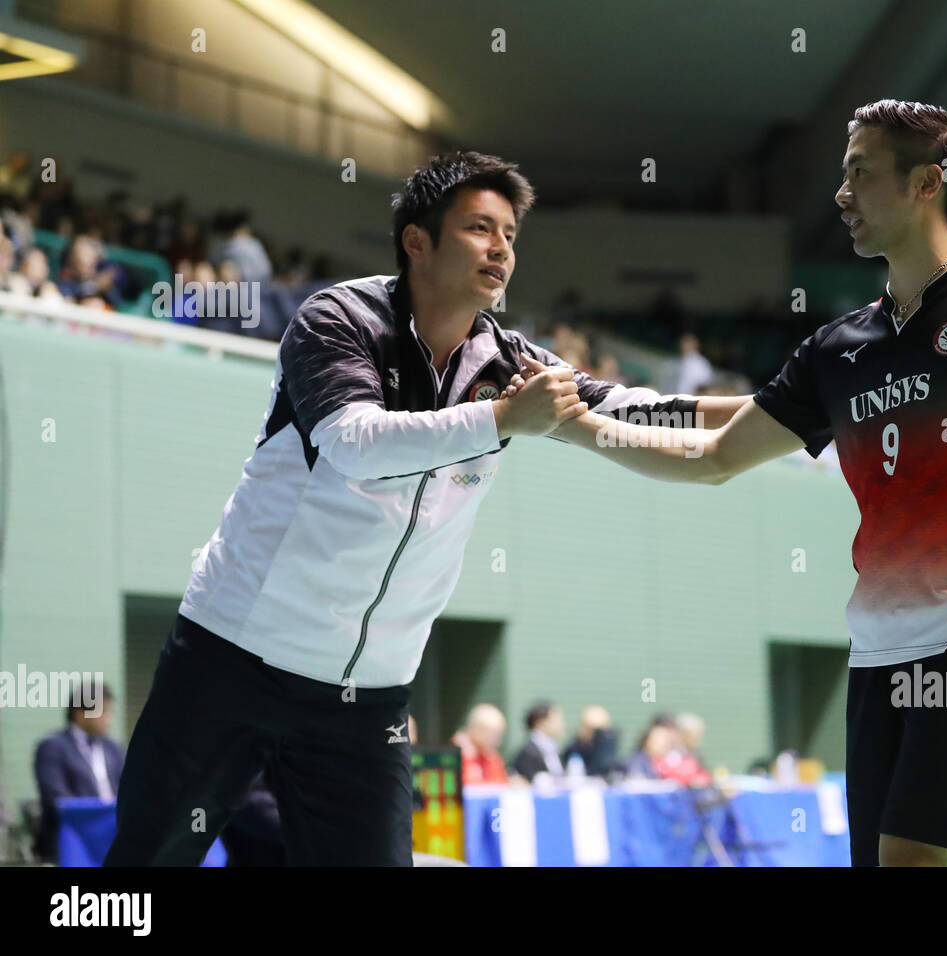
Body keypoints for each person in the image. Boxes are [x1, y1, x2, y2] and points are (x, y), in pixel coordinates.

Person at [525, 99, 947, 867]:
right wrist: (578, 419)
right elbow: (718, 449)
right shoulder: (841, 348)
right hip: (877, 650)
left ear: (926, 183)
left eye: (860, 172)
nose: (842, 194)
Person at [104, 151, 748, 867]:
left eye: (510, 234)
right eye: (479, 227)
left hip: (365, 699)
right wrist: (504, 420)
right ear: (417, 241)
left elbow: (644, 408)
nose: (501, 247)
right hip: (231, 658)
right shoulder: (337, 319)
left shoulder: (512, 364)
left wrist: (790, 410)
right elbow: (352, 441)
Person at [33, 684, 124, 862]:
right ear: (81, 712)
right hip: (73, 843)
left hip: (114, 837)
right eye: (103, 712)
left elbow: (129, 789)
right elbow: (57, 799)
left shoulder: (113, 749)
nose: (108, 719)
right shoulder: (53, 748)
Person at [451, 704, 510, 785]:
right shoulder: (454, 752)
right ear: (476, 730)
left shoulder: (490, 755)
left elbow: (500, 784)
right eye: (494, 736)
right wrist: (469, 757)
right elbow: (466, 786)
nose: (498, 742)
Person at [512, 702, 566, 782]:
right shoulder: (527, 753)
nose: (562, 724)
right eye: (556, 720)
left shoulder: (553, 749)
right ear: (540, 722)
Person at [561, 705, 619, 779]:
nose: (597, 735)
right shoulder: (575, 749)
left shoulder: (607, 746)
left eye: (600, 730)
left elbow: (607, 767)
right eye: (593, 730)